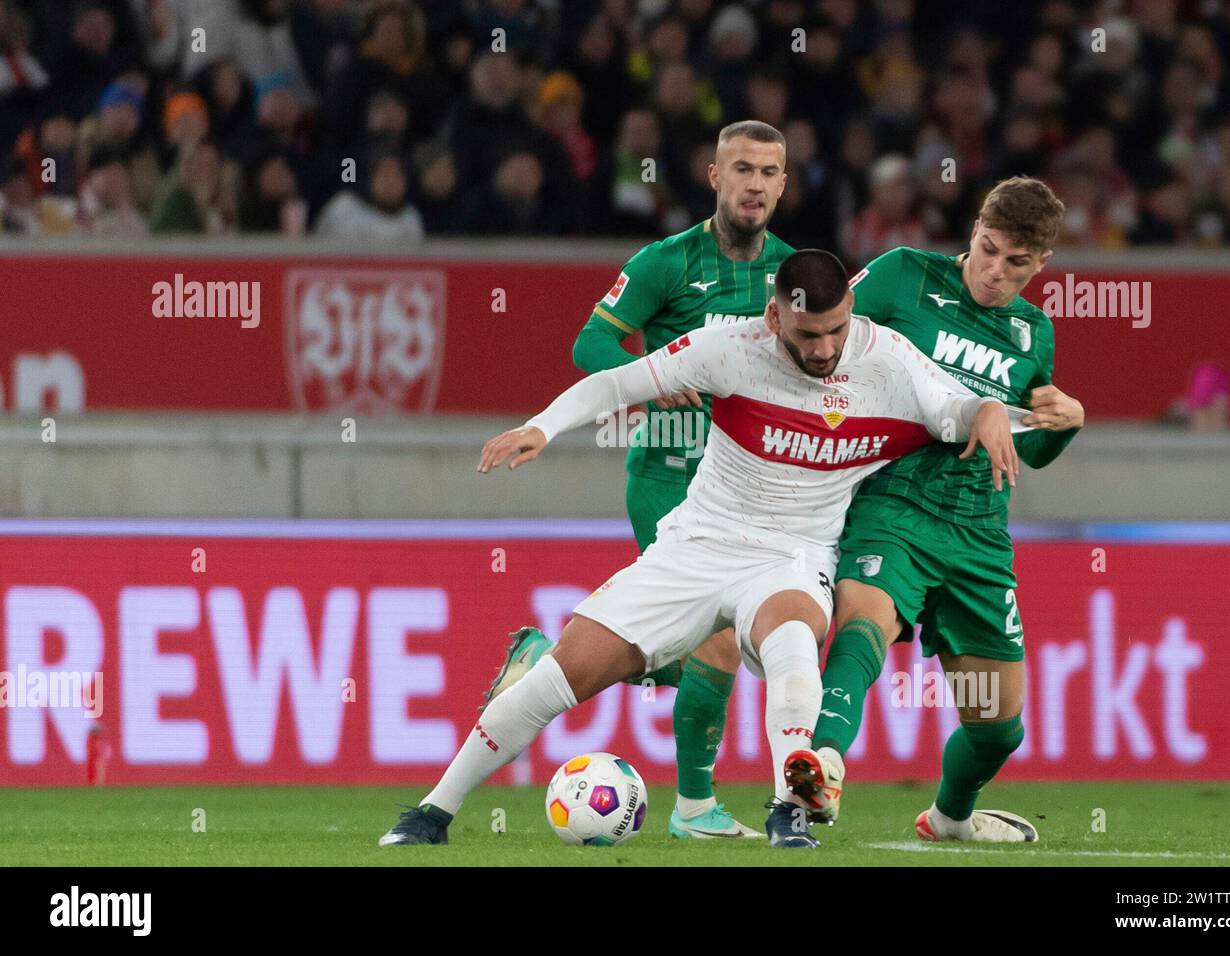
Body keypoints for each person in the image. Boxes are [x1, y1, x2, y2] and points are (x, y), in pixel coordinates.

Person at [378, 249, 1023, 849]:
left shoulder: (889, 360)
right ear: (775, 316)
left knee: (795, 636)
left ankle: (787, 811)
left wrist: (988, 410)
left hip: (793, 555)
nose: (826, 349)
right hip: (697, 544)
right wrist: (542, 426)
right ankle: (431, 813)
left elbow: (956, 407)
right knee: (557, 680)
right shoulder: (731, 348)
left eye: (836, 331)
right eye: (807, 336)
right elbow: (617, 384)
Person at [482, 120, 798, 840]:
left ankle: (546, 664)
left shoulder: (795, 274)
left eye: (768, 172)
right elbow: (590, 339)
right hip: (669, 474)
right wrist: (647, 386)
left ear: (783, 184)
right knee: (718, 641)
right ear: (715, 176)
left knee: (715, 651)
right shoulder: (667, 261)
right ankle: (694, 811)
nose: (754, 183)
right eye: (741, 168)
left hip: (754, 488)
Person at [785, 176, 1085, 844]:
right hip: (894, 499)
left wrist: (1065, 422)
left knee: (997, 725)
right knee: (864, 614)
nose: (994, 272)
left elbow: (1030, 452)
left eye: (1016, 263)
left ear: (1042, 266)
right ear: (974, 228)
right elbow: (822, 337)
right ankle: (822, 763)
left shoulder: (1033, 332)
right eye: (987, 249)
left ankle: (950, 819)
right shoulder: (902, 276)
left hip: (979, 529)